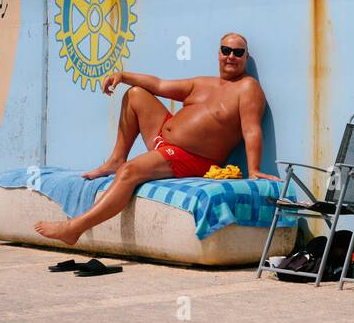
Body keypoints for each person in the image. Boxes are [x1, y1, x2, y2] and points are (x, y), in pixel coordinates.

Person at [33, 32, 277, 246]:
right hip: (162, 139)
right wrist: (123, 75)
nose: (231, 56)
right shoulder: (203, 83)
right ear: (218, 54)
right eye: (226, 50)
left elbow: (251, 130)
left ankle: (74, 229)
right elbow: (159, 84)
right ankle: (115, 159)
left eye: (238, 52)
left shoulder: (248, 88)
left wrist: (254, 169)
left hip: (191, 157)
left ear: (245, 57)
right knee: (136, 94)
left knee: (130, 172)